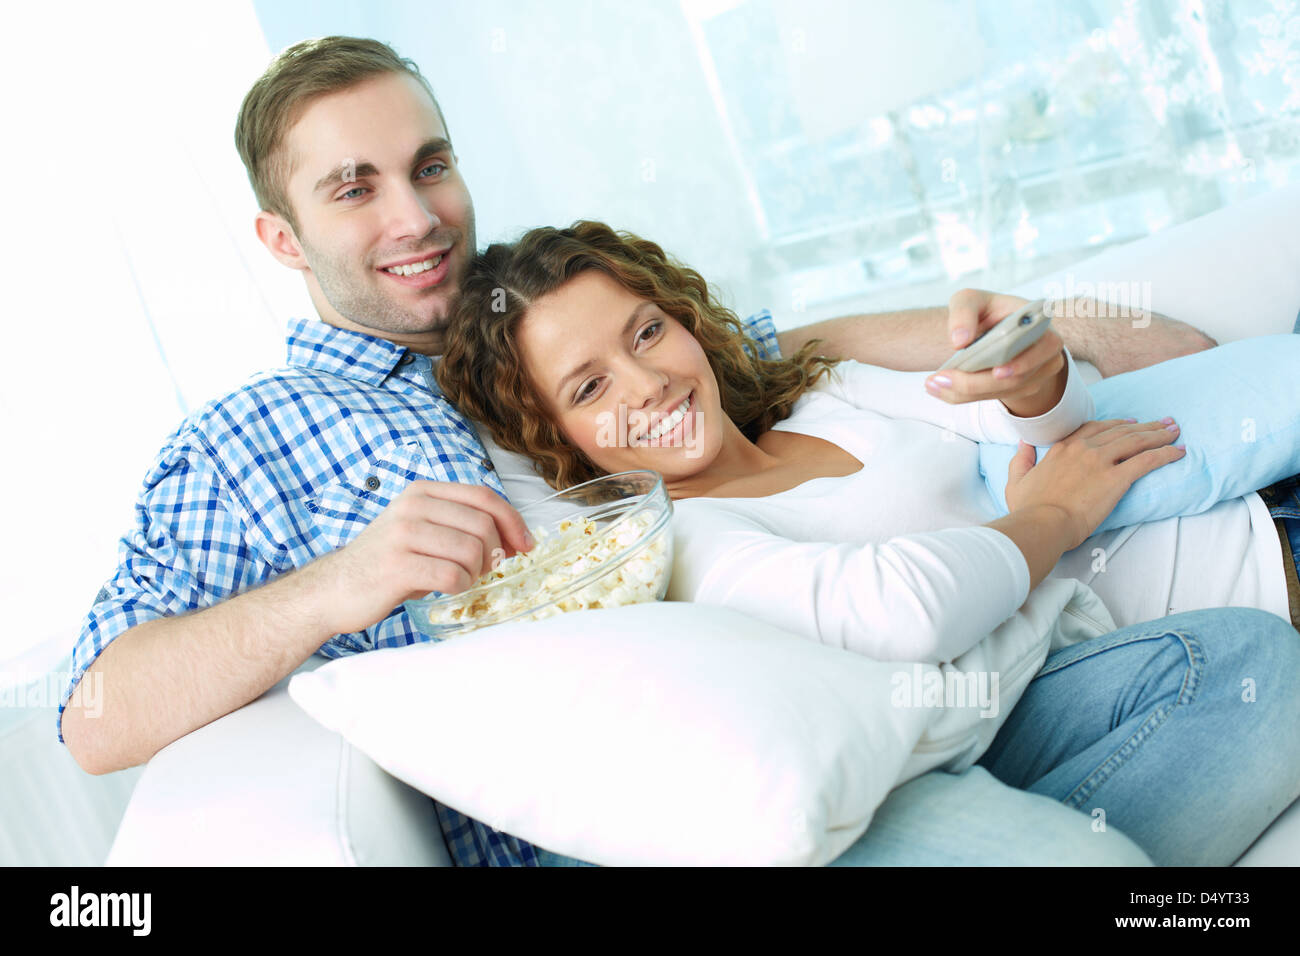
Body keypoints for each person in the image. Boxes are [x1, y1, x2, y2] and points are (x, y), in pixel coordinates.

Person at [57, 35, 1227, 868]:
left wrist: (1038, 334)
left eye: (429, 165)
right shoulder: (251, 439)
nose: (413, 218)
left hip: (847, 705)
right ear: (281, 234)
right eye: (352, 189)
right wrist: (339, 583)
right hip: (649, 807)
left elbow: (742, 351)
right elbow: (95, 715)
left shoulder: (540, 320)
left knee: (1231, 676)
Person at [432, 220, 1300, 866]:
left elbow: (1032, 436)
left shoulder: (831, 392)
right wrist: (1050, 520)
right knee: (1251, 675)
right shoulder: (690, 540)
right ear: (557, 439)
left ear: (685, 319)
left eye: (648, 332)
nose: (649, 382)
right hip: (1095, 667)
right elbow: (897, 610)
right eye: (591, 386)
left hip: (1242, 513)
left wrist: (1038, 380)